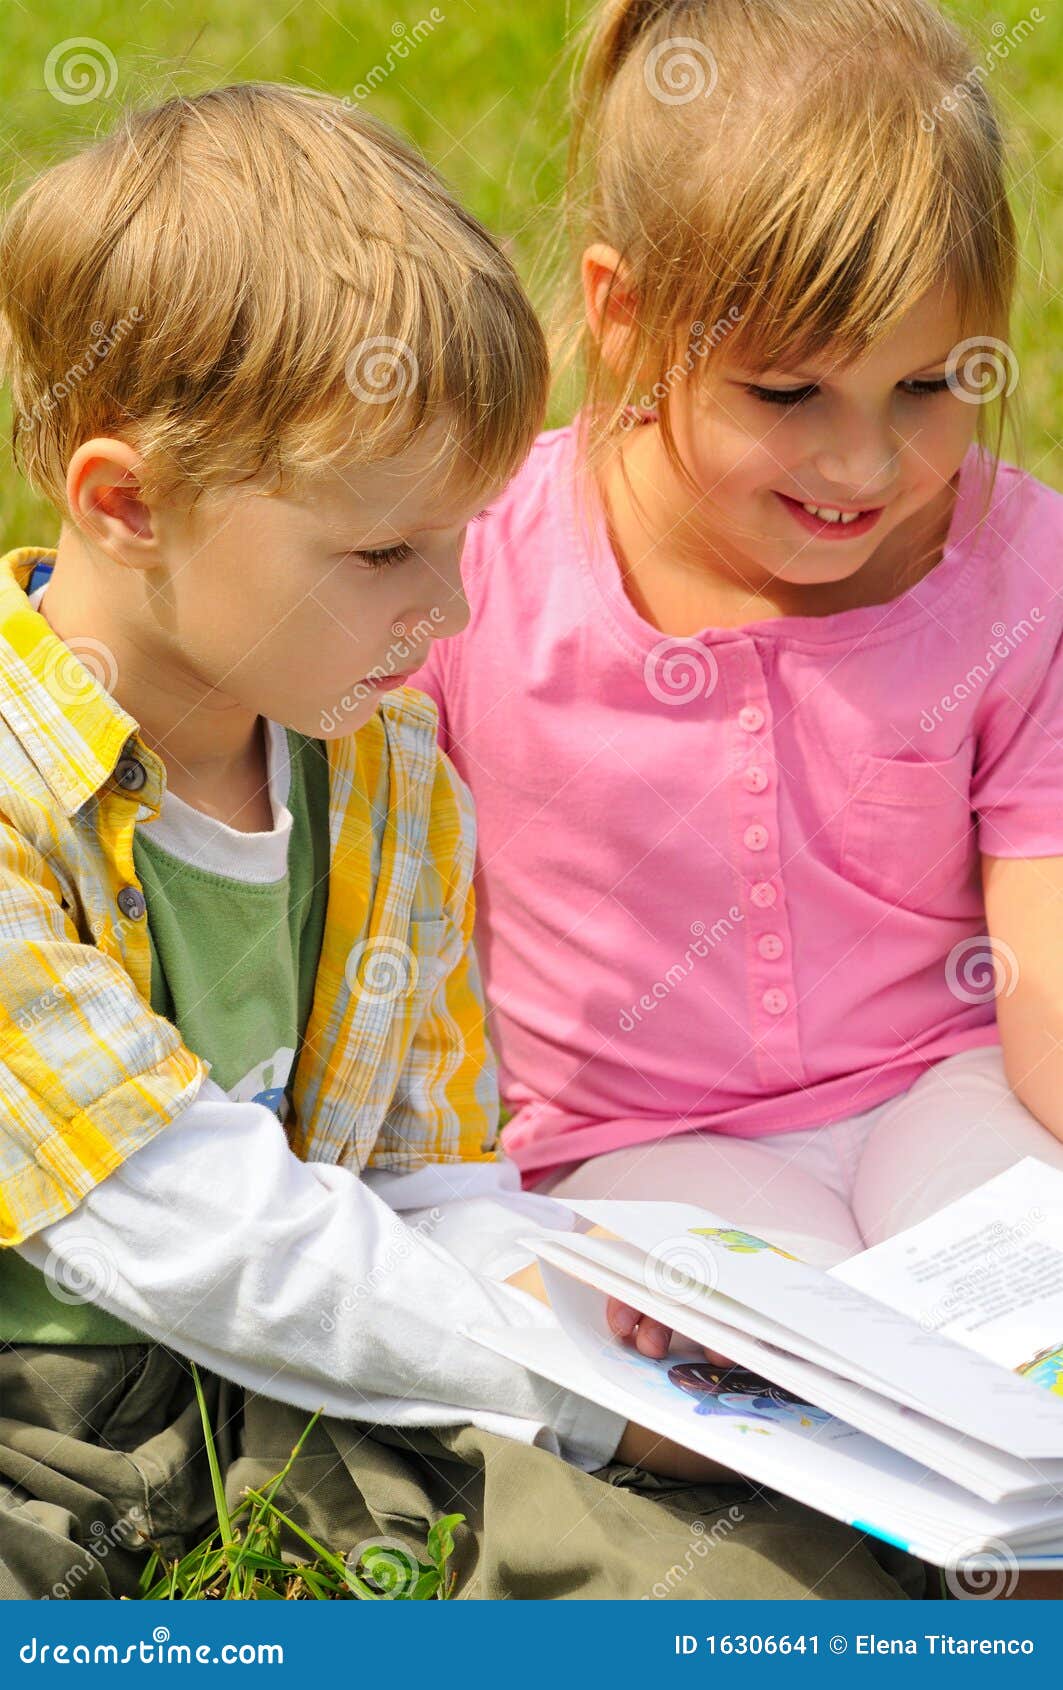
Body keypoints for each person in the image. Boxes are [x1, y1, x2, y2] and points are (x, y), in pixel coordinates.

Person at [0, 81, 920, 1603]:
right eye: (382, 553)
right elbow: (186, 1223)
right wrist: (586, 1395)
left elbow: (433, 1178)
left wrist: (645, 1335)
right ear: (128, 504)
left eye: (461, 537)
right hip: (53, 1420)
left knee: (792, 1579)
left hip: (333, 1368)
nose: (455, 609)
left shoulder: (385, 763)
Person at [409, 0, 1063, 1598]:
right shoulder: (477, 572)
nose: (870, 465)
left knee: (1021, 1385)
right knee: (789, 1414)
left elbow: (1040, 957)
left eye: (929, 386)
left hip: (944, 1086)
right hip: (641, 1146)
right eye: (791, 396)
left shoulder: (1016, 568)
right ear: (625, 319)